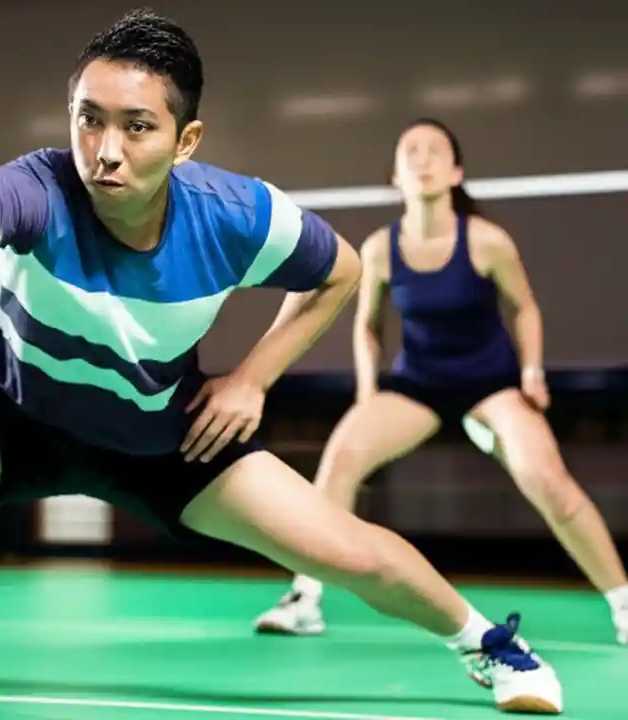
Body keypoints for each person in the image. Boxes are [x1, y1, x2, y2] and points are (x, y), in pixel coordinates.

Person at [0, 10, 563, 714]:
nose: (105, 152)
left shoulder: (235, 216)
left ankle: (488, 643)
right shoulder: (32, 188)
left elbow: (342, 271)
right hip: (17, 420)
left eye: (137, 127)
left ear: (185, 141)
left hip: (168, 441)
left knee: (347, 552)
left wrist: (252, 378)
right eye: (88, 119)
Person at [253, 117, 628, 648]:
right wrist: (367, 391)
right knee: (340, 461)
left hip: (491, 386)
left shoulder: (488, 241)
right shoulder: (381, 248)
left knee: (544, 477)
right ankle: (304, 599)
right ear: (395, 176)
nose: (423, 159)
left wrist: (533, 372)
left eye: (435, 151)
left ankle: (623, 604)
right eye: (411, 151)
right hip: (418, 387)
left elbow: (524, 308)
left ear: (456, 172)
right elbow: (366, 324)